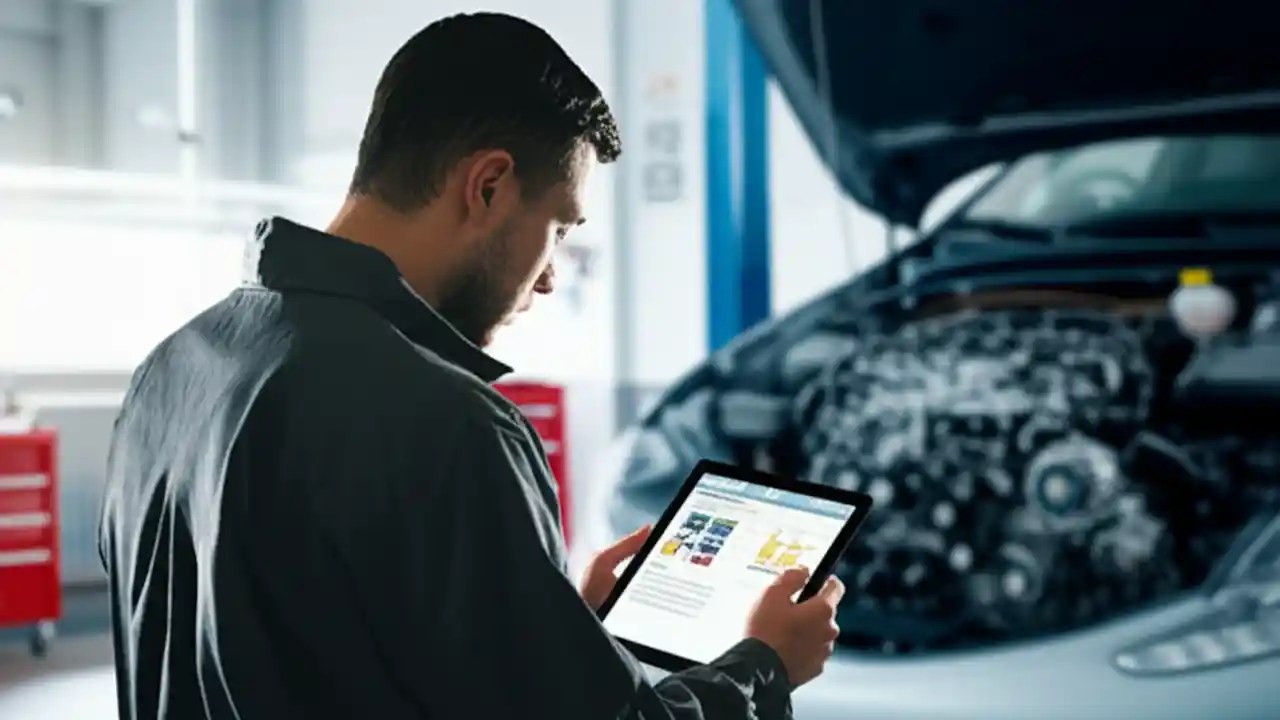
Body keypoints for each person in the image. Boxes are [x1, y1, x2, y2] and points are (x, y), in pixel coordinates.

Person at [98, 12, 842, 719]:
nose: (550, 277)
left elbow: (299, 643)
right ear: (487, 186)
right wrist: (765, 663)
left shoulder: (169, 370)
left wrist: (551, 625)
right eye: (559, 229)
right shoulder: (448, 421)